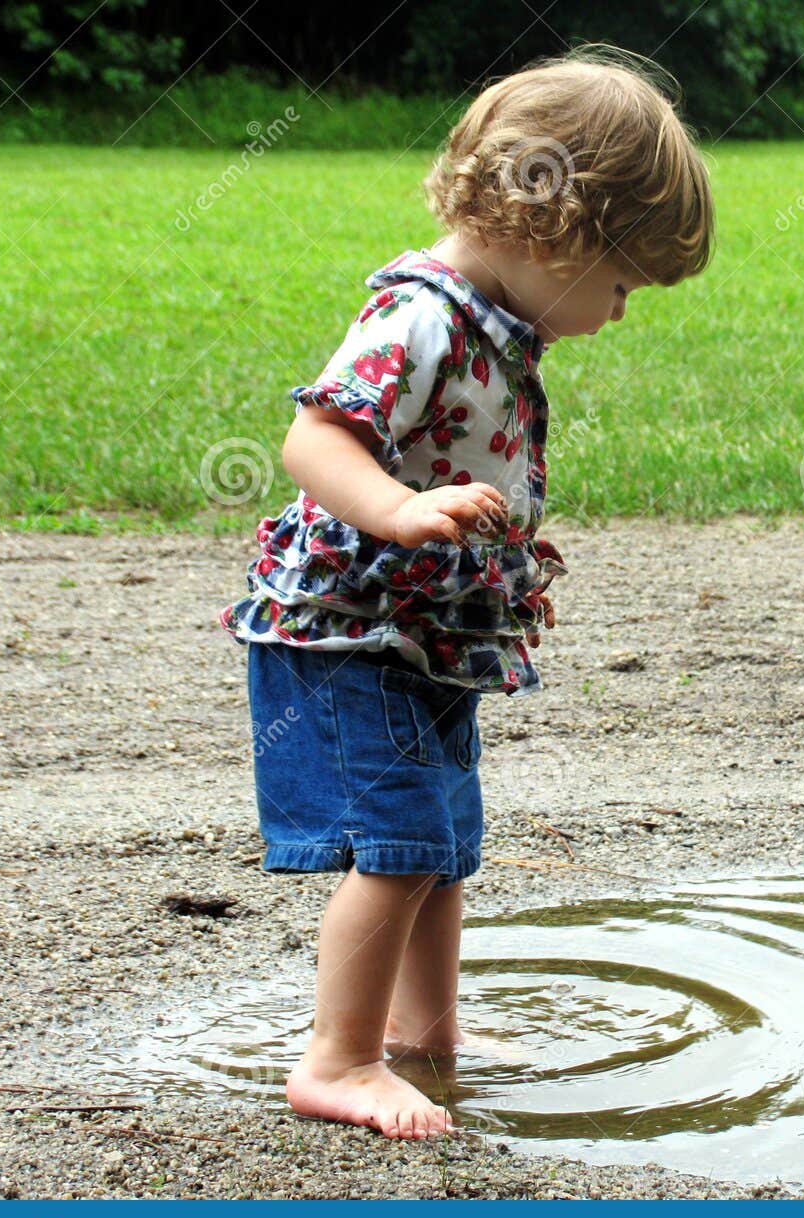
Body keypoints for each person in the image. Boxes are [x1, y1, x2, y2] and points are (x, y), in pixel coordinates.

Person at [215, 43, 714, 1140]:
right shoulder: (420, 316)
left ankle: (422, 1033)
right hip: (347, 632)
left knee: (441, 844)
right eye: (624, 282)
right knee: (397, 848)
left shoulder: (493, 327)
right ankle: (338, 1060)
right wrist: (397, 509)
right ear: (559, 230)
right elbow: (315, 439)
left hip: (422, 634)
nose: (623, 311)